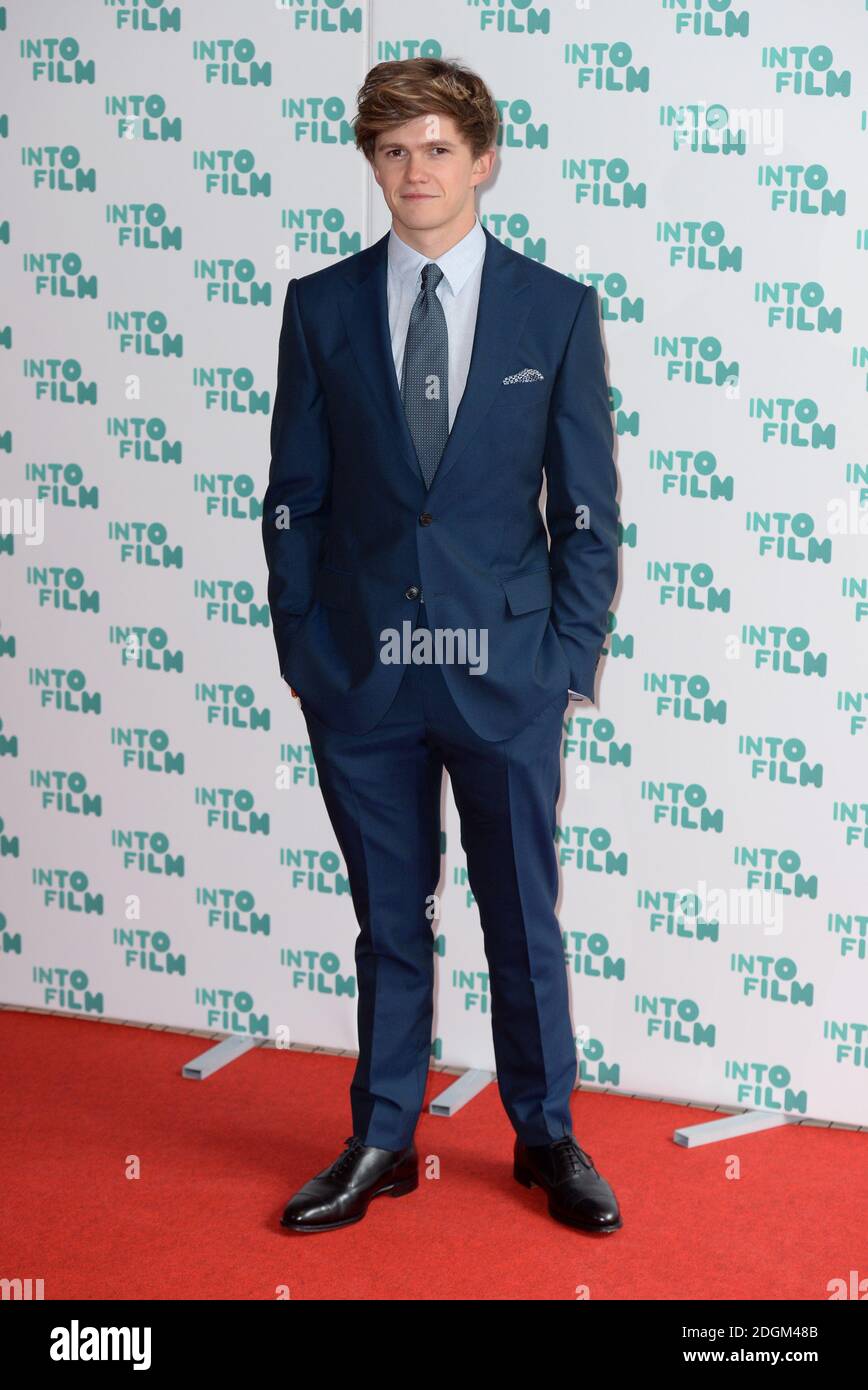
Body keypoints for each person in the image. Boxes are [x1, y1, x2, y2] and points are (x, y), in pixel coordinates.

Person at [261, 56, 621, 1235]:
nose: (414, 171)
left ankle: (546, 1135)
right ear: (372, 165)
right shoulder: (318, 307)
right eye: (392, 150)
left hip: (504, 674)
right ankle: (380, 1137)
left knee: (522, 915)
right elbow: (294, 498)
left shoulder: (553, 308)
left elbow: (584, 508)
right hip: (362, 678)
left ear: (484, 158)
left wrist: (562, 660)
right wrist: (308, 653)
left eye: (435, 147)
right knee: (390, 917)